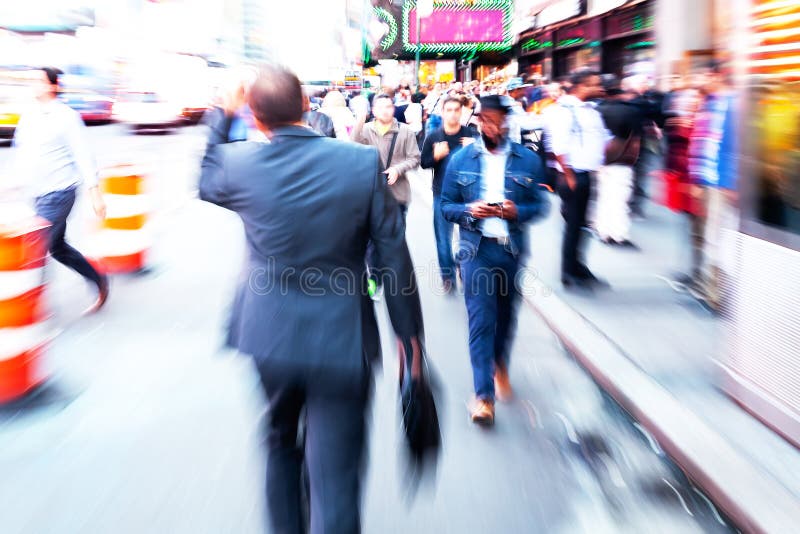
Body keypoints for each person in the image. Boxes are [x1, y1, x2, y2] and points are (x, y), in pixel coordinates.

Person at [198, 65, 424, 534]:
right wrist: (409, 341)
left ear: (255, 119)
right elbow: (393, 258)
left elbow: (206, 176)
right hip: (342, 339)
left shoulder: (239, 165)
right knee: (336, 475)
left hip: (268, 335)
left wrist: (224, 109)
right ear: (307, 105)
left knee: (280, 441)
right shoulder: (359, 164)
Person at [441, 95, 549, 426]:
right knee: (480, 320)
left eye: (497, 121)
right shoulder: (461, 159)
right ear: (478, 123)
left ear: (506, 123)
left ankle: (500, 363)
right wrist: (468, 211)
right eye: (485, 121)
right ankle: (483, 396)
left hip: (510, 250)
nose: (492, 126)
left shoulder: (528, 161)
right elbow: (445, 205)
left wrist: (518, 211)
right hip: (476, 251)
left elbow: (540, 205)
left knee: (505, 317)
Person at [12, 66, 109, 313]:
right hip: (37, 193)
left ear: (53, 86)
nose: (33, 84)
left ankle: (29, 307)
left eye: (38, 80)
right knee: (57, 247)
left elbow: (83, 154)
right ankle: (98, 279)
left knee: (36, 246)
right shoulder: (29, 115)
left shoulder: (66, 116)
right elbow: (22, 153)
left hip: (60, 192)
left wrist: (95, 193)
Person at [545, 71, 609, 289]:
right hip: (573, 176)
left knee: (582, 224)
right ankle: (569, 271)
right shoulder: (565, 111)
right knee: (573, 225)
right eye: (595, 84)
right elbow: (559, 146)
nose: (599, 87)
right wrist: (569, 176)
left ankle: (578, 266)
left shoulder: (589, 110)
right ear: (582, 86)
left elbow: (602, 137)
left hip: (586, 174)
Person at [421, 96, 475, 293]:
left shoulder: (472, 134)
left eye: (456, 110)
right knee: (443, 238)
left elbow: (485, 161)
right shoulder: (434, 136)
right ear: (442, 113)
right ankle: (447, 276)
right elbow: (424, 163)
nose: (452, 114)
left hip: (469, 196)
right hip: (442, 195)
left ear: (461, 112)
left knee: (468, 239)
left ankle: (462, 264)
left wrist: (474, 148)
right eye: (449, 110)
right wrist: (436, 156)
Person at [351, 93, 421, 217]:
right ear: (373, 111)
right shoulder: (365, 129)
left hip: (397, 195)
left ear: (393, 109)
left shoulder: (405, 131)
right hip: (371, 194)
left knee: (396, 234)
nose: (385, 111)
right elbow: (352, 149)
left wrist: (397, 169)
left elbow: (414, 159)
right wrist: (359, 121)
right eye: (380, 108)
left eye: (388, 107)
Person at [594, 78, 643, 247]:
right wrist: (633, 160)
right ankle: (618, 235)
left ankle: (603, 231)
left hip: (601, 159)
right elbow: (635, 140)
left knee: (603, 196)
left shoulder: (597, 110)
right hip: (622, 161)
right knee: (620, 199)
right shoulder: (631, 112)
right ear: (620, 92)